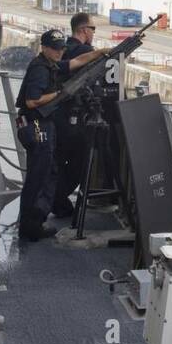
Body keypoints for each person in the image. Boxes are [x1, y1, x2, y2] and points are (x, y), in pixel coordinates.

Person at [15, 29, 73, 241]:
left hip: (40, 125)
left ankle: (33, 221)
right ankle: (30, 226)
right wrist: (60, 94)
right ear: (45, 48)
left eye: (62, 49)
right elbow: (32, 101)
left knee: (47, 172)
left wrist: (101, 53)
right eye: (56, 49)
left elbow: (75, 63)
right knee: (39, 176)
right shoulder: (40, 69)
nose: (60, 52)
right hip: (37, 126)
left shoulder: (52, 65)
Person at [51, 14, 108, 220]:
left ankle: (55, 201)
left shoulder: (62, 49)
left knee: (58, 161)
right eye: (93, 28)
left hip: (57, 117)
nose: (93, 33)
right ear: (84, 30)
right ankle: (56, 200)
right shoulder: (85, 51)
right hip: (75, 118)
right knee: (79, 164)